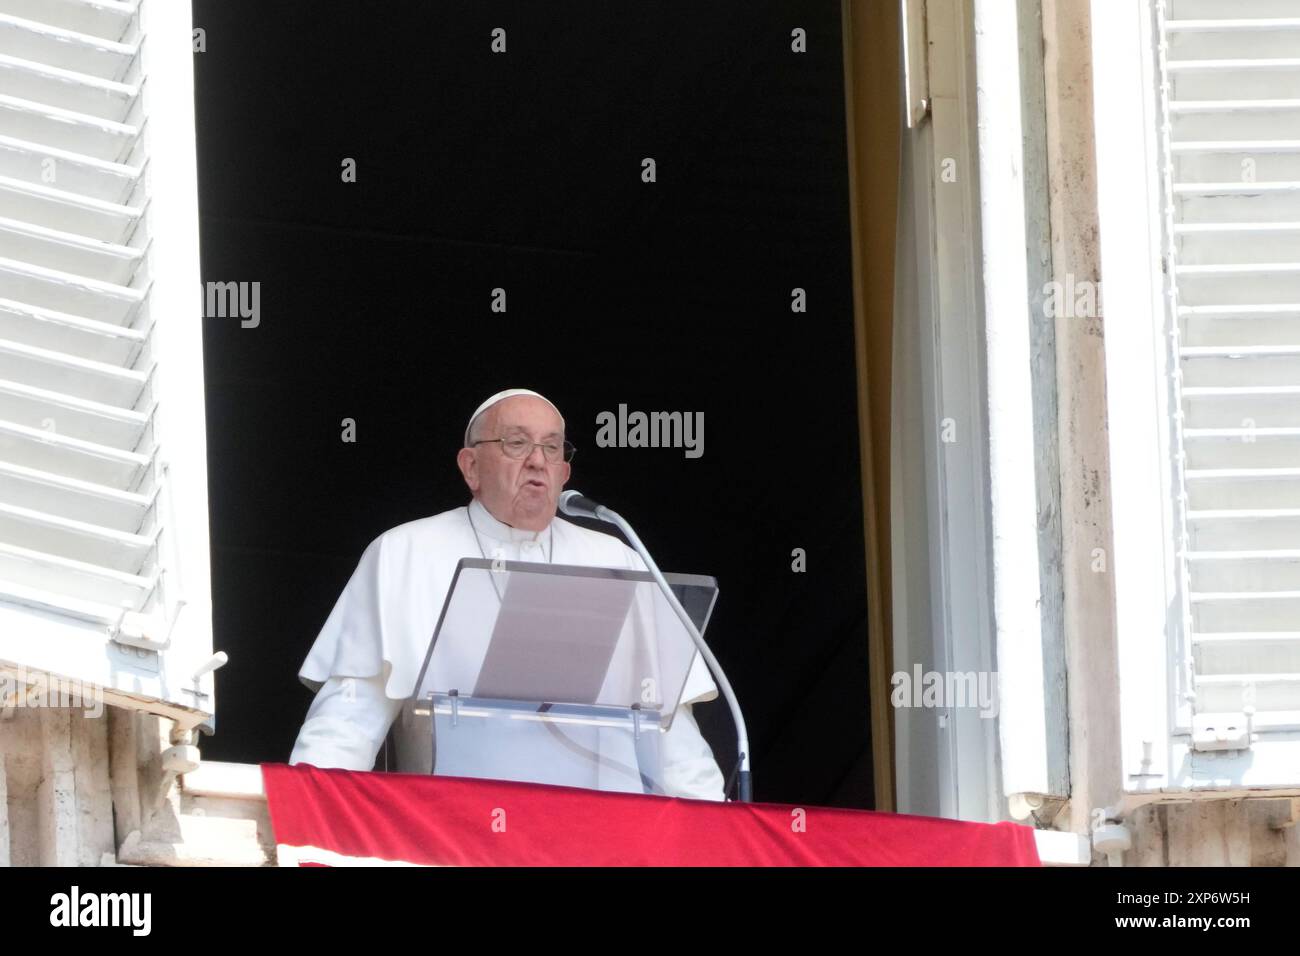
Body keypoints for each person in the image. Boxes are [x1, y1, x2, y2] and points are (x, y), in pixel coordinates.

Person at [289, 388, 727, 800]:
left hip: (605, 837)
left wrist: (720, 826)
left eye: (552, 448)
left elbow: (670, 734)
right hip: (453, 835)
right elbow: (349, 719)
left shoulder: (619, 561)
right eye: (516, 443)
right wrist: (313, 810)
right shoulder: (405, 552)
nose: (537, 461)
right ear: (471, 466)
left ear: (565, 472)